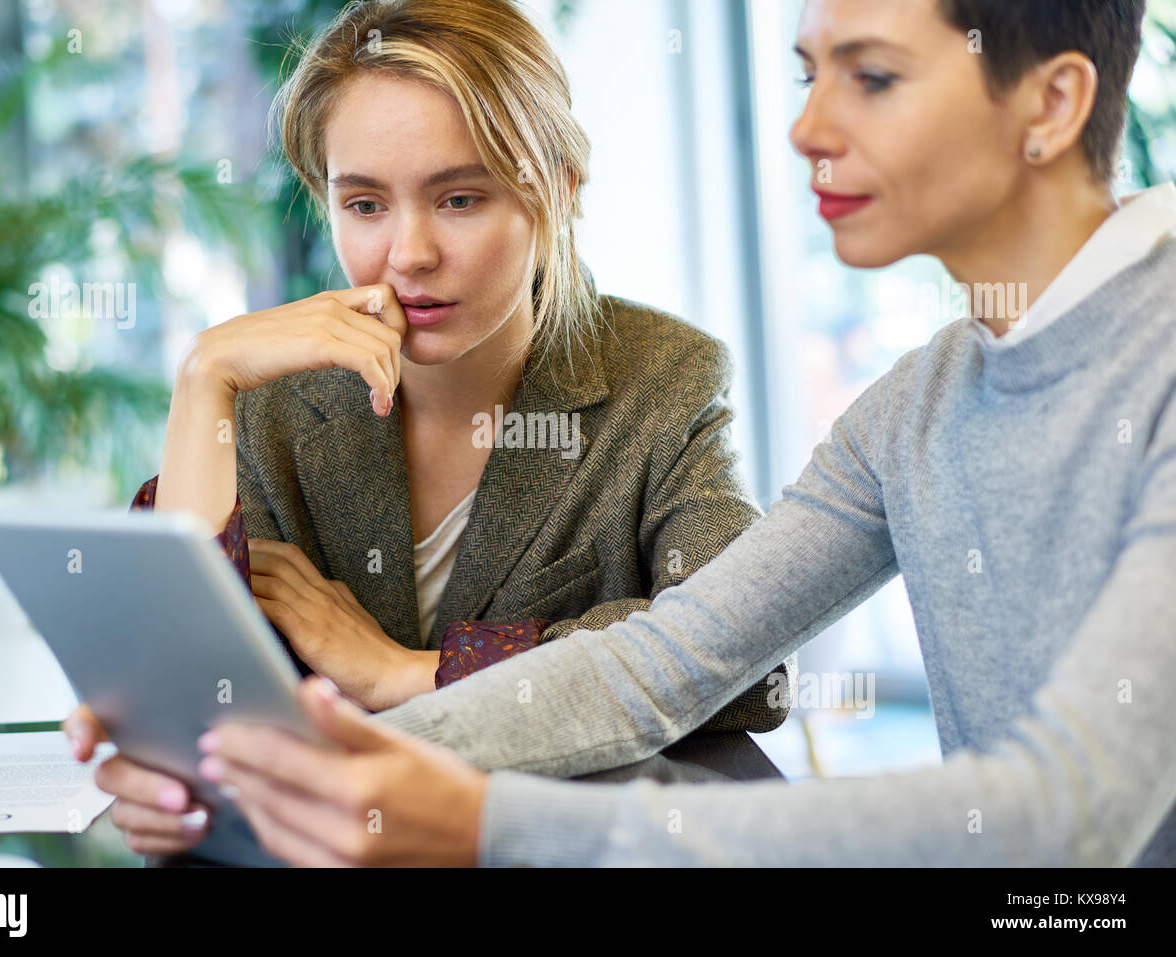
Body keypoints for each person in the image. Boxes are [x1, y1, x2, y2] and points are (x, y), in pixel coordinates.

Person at [189, 0, 1176, 866]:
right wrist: (305, 770)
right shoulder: (913, 407)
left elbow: (1064, 818)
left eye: (870, 78)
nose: (803, 128)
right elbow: (660, 664)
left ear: (1048, 106)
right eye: (806, 74)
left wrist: (486, 822)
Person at [63, 0, 793, 861]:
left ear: (557, 189)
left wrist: (408, 672)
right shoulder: (275, 403)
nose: (408, 253)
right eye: (365, 205)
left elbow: (749, 669)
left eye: (458, 197)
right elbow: (181, 687)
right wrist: (203, 378)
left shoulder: (660, 379)